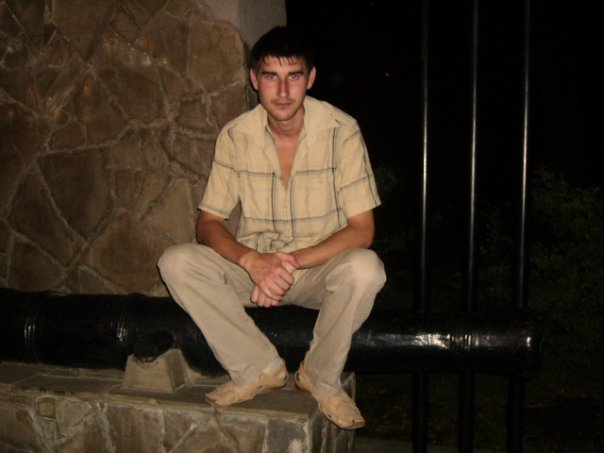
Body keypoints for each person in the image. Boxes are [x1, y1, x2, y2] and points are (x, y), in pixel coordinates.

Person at [158, 26, 386, 430]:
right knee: (176, 262)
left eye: (293, 76)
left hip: (317, 269)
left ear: (310, 78)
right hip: (254, 270)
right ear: (254, 79)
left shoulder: (342, 131)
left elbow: (361, 230)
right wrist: (252, 261)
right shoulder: (236, 136)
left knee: (366, 268)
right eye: (270, 76)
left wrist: (285, 263)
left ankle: (321, 378)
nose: (282, 90)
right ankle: (257, 367)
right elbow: (208, 223)